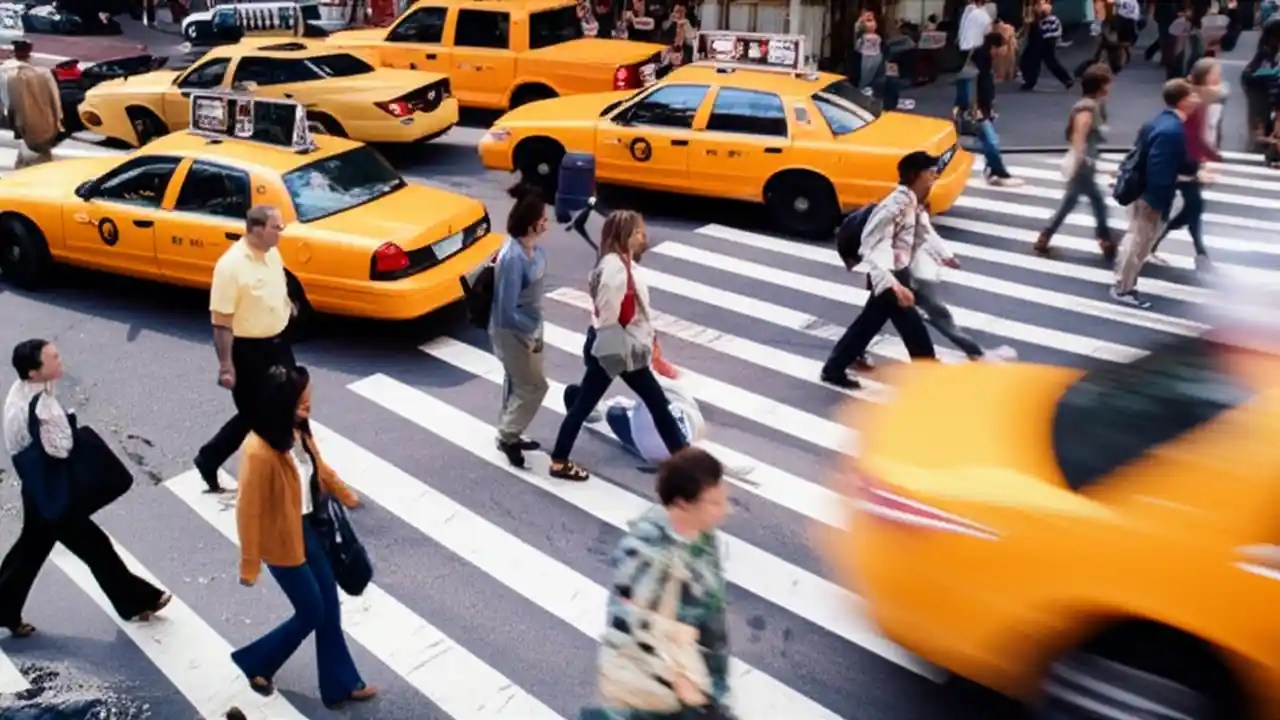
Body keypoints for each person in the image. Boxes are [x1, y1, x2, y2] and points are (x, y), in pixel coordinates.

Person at [0, 339, 172, 638]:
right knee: (93, 547)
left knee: (32, 551)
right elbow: (61, 448)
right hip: (53, 490)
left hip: (38, 487)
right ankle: (137, 600)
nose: (58, 360)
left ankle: (4, 610)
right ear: (33, 372)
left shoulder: (20, 393)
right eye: (51, 358)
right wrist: (68, 425)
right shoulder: (41, 406)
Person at [231, 364, 374, 707]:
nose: (308, 405)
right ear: (281, 403)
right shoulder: (258, 451)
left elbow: (318, 467)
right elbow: (247, 510)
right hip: (280, 542)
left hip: (310, 528)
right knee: (312, 612)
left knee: (329, 609)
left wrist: (343, 492)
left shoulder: (297, 432)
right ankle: (255, 661)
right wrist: (250, 564)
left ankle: (341, 684)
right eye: (301, 400)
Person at [548, 210, 688, 482]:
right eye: (638, 231)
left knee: (587, 402)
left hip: (614, 346)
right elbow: (608, 315)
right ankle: (686, 466)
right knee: (658, 405)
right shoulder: (615, 269)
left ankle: (560, 456)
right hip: (617, 349)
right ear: (626, 235)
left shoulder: (619, 263)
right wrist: (623, 350)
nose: (643, 235)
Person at [598, 447, 731, 719]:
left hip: (701, 681)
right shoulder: (646, 551)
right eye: (714, 503)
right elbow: (627, 622)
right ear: (683, 503)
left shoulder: (703, 537)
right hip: (661, 694)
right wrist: (681, 682)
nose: (725, 510)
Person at [194, 206, 297, 493]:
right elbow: (221, 324)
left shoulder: (272, 254)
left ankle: (214, 457)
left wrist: (287, 308)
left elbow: (277, 287)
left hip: (278, 342)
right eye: (276, 227)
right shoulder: (231, 267)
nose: (281, 232)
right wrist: (226, 365)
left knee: (285, 397)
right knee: (257, 412)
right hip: (250, 351)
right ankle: (216, 460)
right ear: (257, 229)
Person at [820, 151, 940, 389]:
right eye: (929, 171)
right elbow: (870, 246)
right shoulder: (893, 207)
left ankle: (834, 368)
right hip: (887, 275)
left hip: (895, 272)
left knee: (870, 324)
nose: (934, 175)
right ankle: (928, 373)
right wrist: (893, 284)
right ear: (916, 175)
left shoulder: (911, 202)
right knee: (910, 326)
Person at [1113, 78, 1200, 309]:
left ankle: (1125, 284)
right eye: (1192, 95)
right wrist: (1157, 201)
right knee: (1140, 242)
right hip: (1151, 197)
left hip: (1144, 192)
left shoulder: (1159, 121)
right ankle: (1124, 288)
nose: (1196, 99)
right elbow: (1159, 168)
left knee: (1138, 240)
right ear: (1183, 101)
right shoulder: (1173, 131)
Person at [490, 184, 550, 468]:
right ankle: (508, 435)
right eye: (543, 219)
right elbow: (505, 310)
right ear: (532, 224)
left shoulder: (531, 250)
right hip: (514, 332)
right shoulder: (513, 258)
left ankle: (510, 429)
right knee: (534, 387)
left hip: (529, 328)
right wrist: (529, 330)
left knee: (517, 382)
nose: (547, 223)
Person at [565, 348, 705, 465]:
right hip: (686, 438)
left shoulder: (642, 372)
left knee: (615, 413)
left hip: (656, 449)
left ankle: (592, 413)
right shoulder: (673, 384)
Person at [1036, 63, 1117, 259]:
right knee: (1096, 201)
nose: (1111, 86)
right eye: (1108, 83)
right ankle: (1105, 239)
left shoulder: (1095, 105)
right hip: (1084, 164)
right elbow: (1080, 134)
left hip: (1086, 161)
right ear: (1101, 85)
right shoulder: (1087, 108)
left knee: (1071, 201)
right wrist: (1079, 158)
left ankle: (1045, 236)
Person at [1152, 57, 1224, 271]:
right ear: (1205, 77)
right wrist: (1210, 157)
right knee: (1193, 206)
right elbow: (1190, 136)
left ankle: (1199, 253)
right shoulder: (1195, 102)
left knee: (1193, 208)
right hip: (1183, 163)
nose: (1218, 77)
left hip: (1188, 161)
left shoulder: (1201, 100)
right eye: (1215, 73)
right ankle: (1157, 242)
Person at [973, 30, 1023, 187]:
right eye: (1003, 48)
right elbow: (974, 86)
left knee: (989, 140)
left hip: (984, 106)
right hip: (978, 108)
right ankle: (997, 171)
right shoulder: (979, 63)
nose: (1004, 53)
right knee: (991, 141)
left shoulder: (984, 60)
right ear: (994, 47)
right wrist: (976, 108)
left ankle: (993, 170)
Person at [1, 40, 62, 169]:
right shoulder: (43, 72)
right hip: (43, 122)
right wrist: (58, 120)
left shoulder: (5, 72)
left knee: (30, 155)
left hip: (21, 123)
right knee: (37, 156)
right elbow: (55, 99)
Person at [1020, 0, 1075, 92]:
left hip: (1043, 36)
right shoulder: (1032, 6)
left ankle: (1030, 81)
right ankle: (1066, 79)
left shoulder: (1041, 7)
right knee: (1038, 59)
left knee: (1035, 59)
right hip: (1043, 35)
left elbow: (1043, 13)